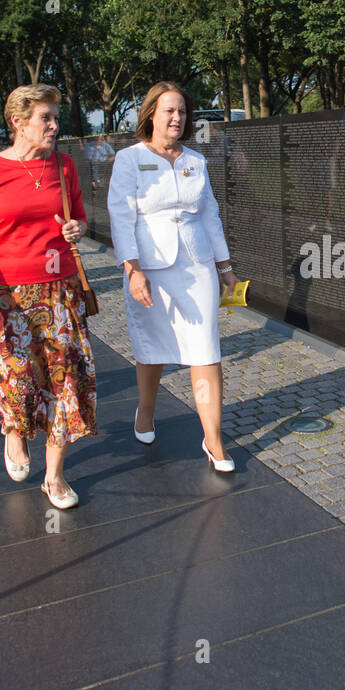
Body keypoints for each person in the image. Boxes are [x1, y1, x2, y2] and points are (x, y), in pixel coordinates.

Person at [0, 84, 95, 509]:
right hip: (8, 293)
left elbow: (80, 217)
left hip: (61, 290)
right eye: (45, 118)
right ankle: (14, 433)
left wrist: (77, 230)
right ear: (17, 122)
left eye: (57, 117)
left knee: (64, 380)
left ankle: (53, 478)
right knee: (20, 378)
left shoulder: (65, 165)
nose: (55, 125)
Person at [107, 81, 241, 472]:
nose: (177, 118)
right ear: (151, 114)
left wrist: (225, 268)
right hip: (148, 268)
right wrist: (131, 269)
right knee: (152, 348)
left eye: (182, 111)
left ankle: (213, 439)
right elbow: (121, 217)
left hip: (196, 266)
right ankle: (145, 413)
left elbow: (210, 214)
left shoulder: (196, 161)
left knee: (205, 350)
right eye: (169, 111)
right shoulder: (129, 160)